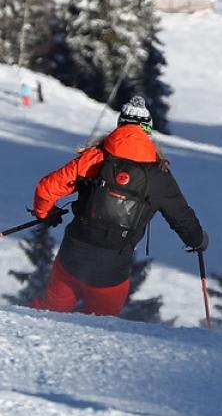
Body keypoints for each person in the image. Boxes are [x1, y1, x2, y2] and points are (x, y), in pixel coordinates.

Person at [27, 95, 207, 317]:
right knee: (101, 326)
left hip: (73, 255)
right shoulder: (158, 175)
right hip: (112, 269)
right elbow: (182, 217)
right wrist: (197, 240)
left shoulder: (96, 158)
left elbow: (46, 188)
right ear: (147, 132)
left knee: (49, 312)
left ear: (120, 125)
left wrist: (46, 213)